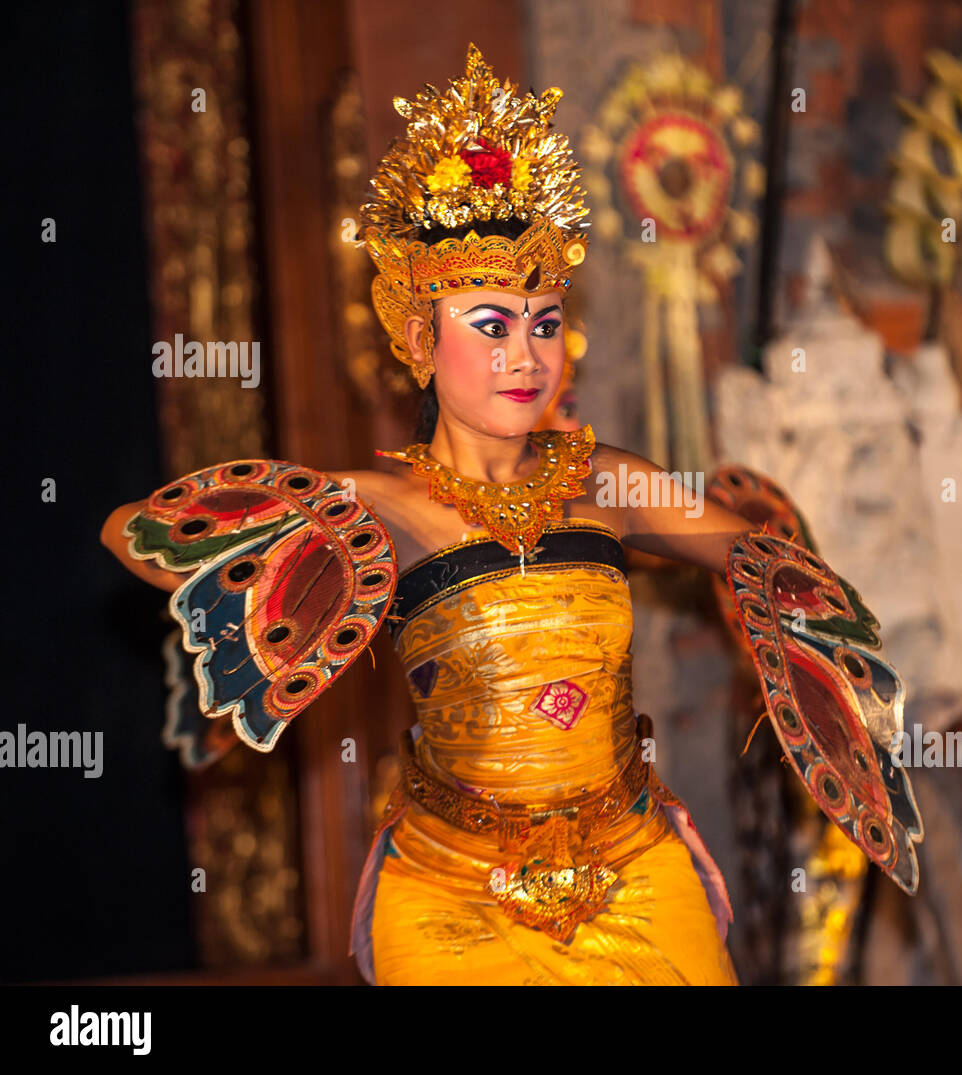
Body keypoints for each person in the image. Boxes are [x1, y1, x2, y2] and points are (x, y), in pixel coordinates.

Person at [101, 44, 920, 985]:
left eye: (542, 321)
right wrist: (304, 534)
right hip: (453, 896)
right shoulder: (383, 511)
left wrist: (795, 626)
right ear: (419, 337)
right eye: (490, 325)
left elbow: (760, 550)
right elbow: (133, 533)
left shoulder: (606, 484)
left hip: (634, 873)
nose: (524, 354)